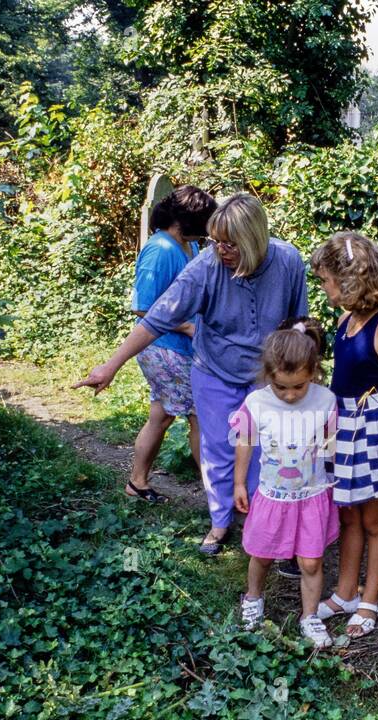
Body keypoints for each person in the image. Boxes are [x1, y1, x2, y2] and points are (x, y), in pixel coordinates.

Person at [74, 194, 309, 556]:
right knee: (218, 450)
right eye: (214, 241)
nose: (219, 250)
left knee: (266, 452)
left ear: (253, 239)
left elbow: (299, 323)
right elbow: (156, 318)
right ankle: (220, 521)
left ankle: (262, 523)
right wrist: (111, 365)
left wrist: (304, 373)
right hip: (214, 371)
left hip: (268, 377)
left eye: (229, 244)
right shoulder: (206, 266)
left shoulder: (288, 260)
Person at [308, 233, 378, 639]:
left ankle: (370, 598)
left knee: (375, 518)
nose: (323, 287)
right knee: (347, 512)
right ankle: (345, 591)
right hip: (342, 426)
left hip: (373, 431)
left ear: (348, 279)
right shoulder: (344, 321)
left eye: (325, 280)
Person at [232, 323, 340, 648]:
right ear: (268, 375)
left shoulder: (325, 400)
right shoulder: (256, 403)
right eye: (281, 387)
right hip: (272, 496)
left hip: (313, 495)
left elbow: (330, 445)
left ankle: (310, 616)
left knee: (311, 561)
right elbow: (245, 443)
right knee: (262, 555)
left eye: (299, 386)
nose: (290, 395)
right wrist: (239, 482)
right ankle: (253, 598)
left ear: (314, 374)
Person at [126, 185, 217, 502]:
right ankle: (218, 497)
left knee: (162, 415)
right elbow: (143, 306)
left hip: (180, 347)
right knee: (199, 415)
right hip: (162, 347)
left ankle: (137, 482)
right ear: (187, 219)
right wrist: (188, 326)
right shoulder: (160, 249)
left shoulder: (187, 246)